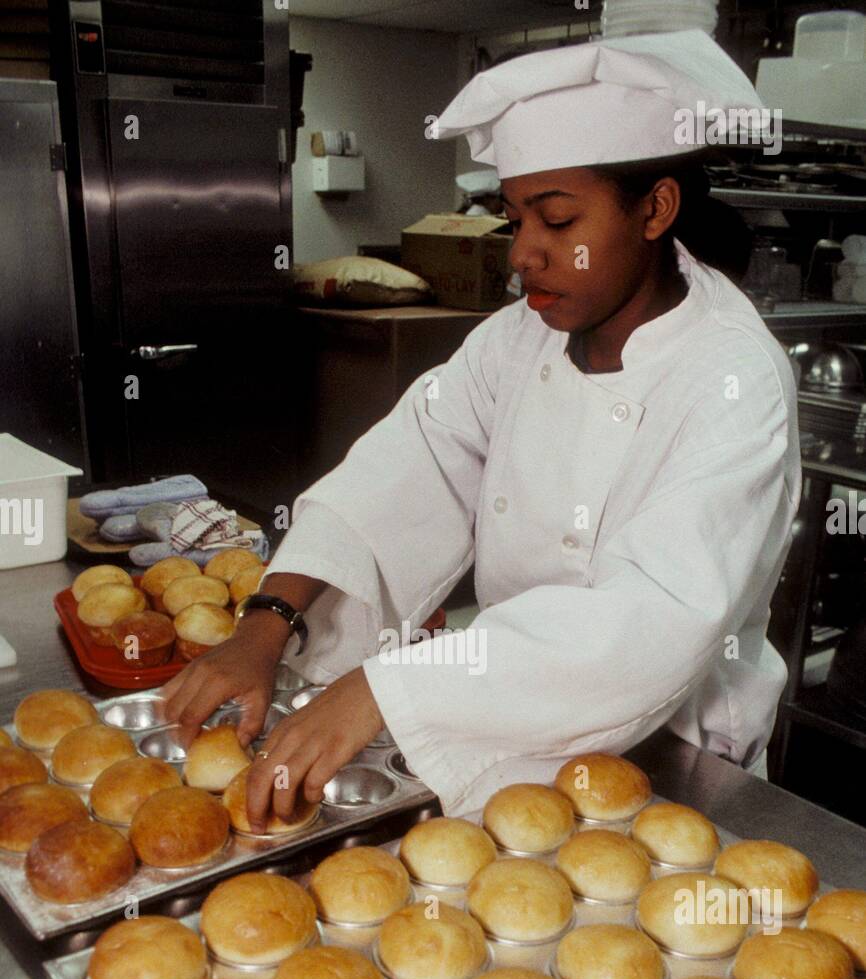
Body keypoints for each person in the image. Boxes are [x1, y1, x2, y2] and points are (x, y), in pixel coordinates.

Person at [163, 29, 800, 829]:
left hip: (667, 760)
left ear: (656, 209)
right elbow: (405, 467)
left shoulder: (733, 379)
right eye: (514, 218)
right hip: (497, 717)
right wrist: (269, 622)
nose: (523, 255)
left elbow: (648, 625)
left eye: (558, 221)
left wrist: (383, 690)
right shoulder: (519, 336)